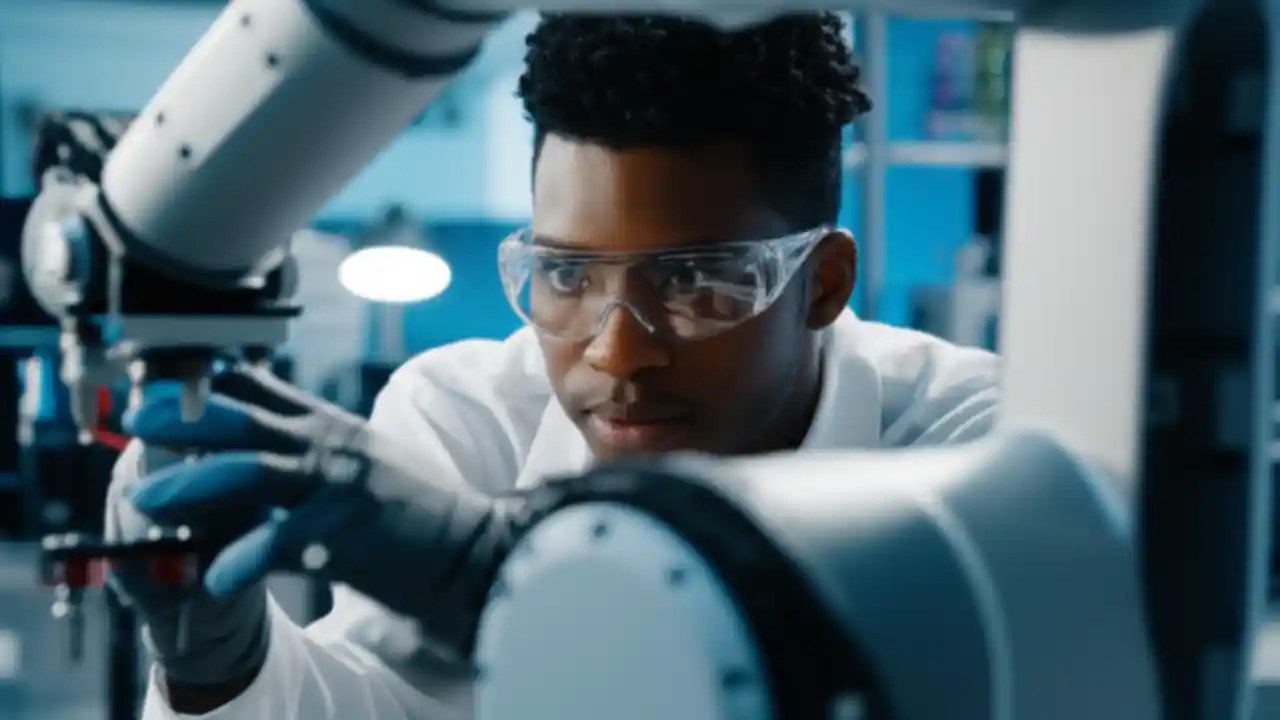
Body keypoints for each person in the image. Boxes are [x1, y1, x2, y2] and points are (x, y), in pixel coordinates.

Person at [108, 12, 1001, 719]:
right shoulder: (464, 418)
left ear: (824, 282)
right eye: (566, 275)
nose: (617, 354)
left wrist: (499, 576)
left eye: (692, 279)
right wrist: (217, 666)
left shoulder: (974, 448)